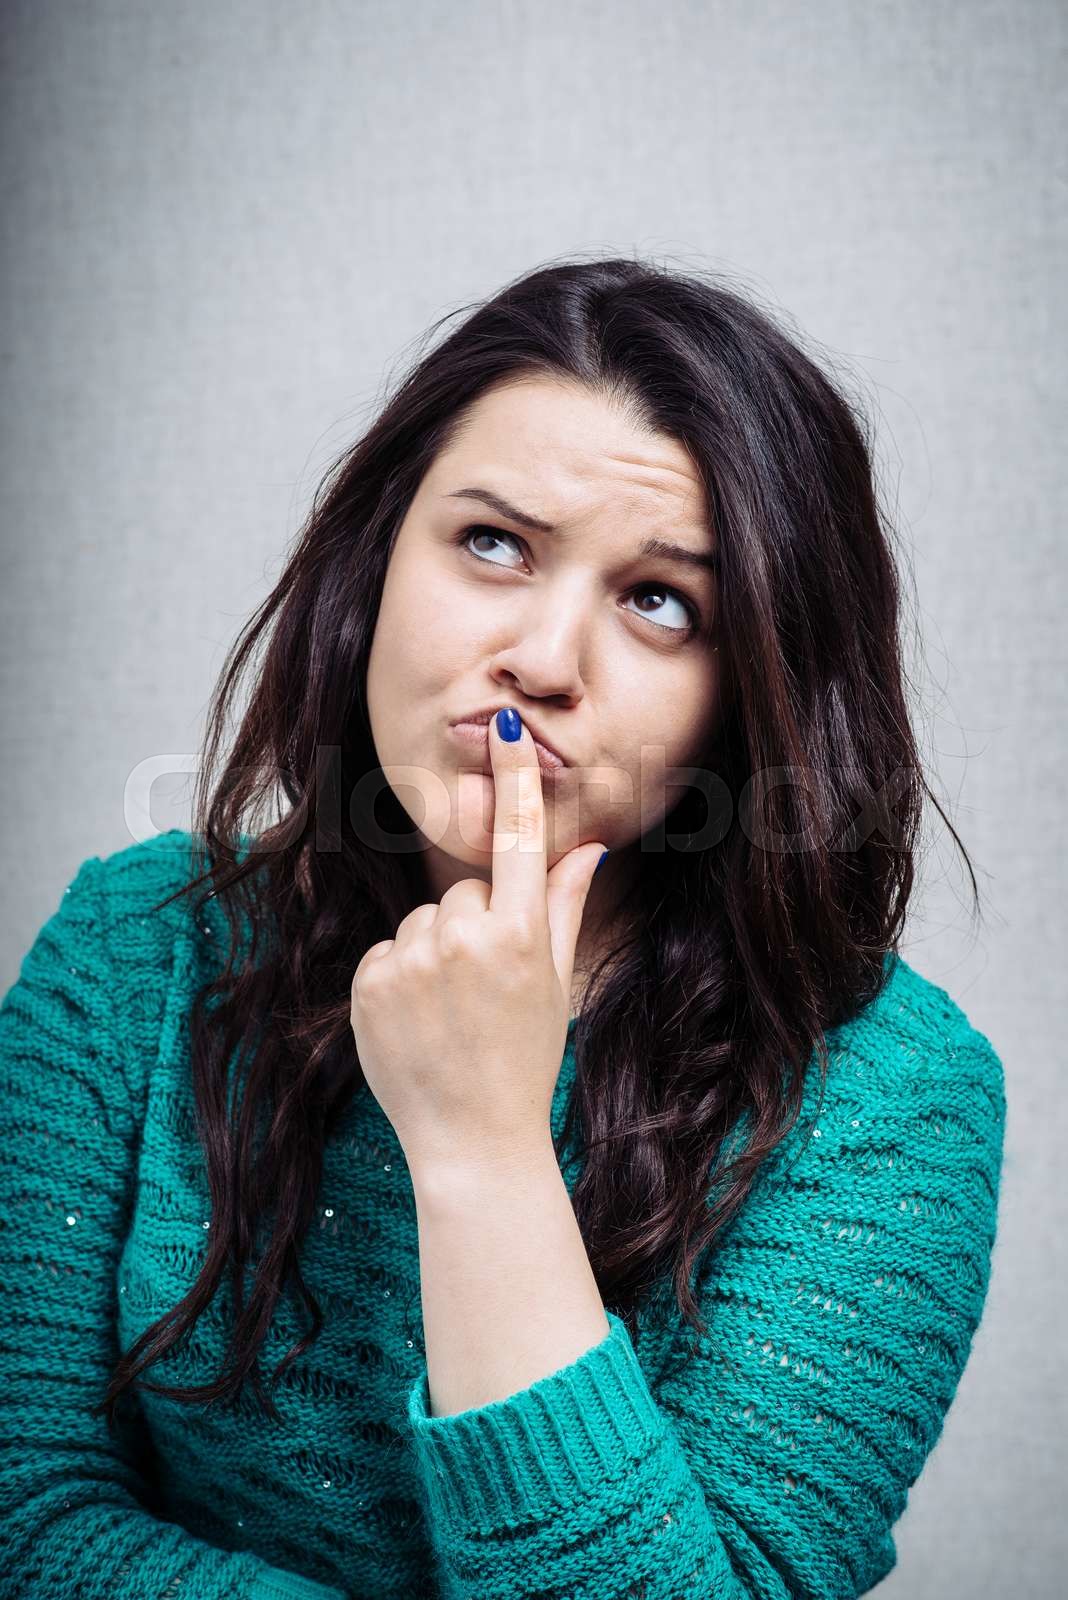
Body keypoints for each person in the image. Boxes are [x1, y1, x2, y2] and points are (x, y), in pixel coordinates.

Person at [0, 256, 1006, 1600]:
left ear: (751, 695)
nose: (542, 658)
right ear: (374, 567)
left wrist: (480, 1154)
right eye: (494, 545)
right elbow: (24, 1515)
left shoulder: (889, 1093)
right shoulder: (137, 946)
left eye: (661, 602)